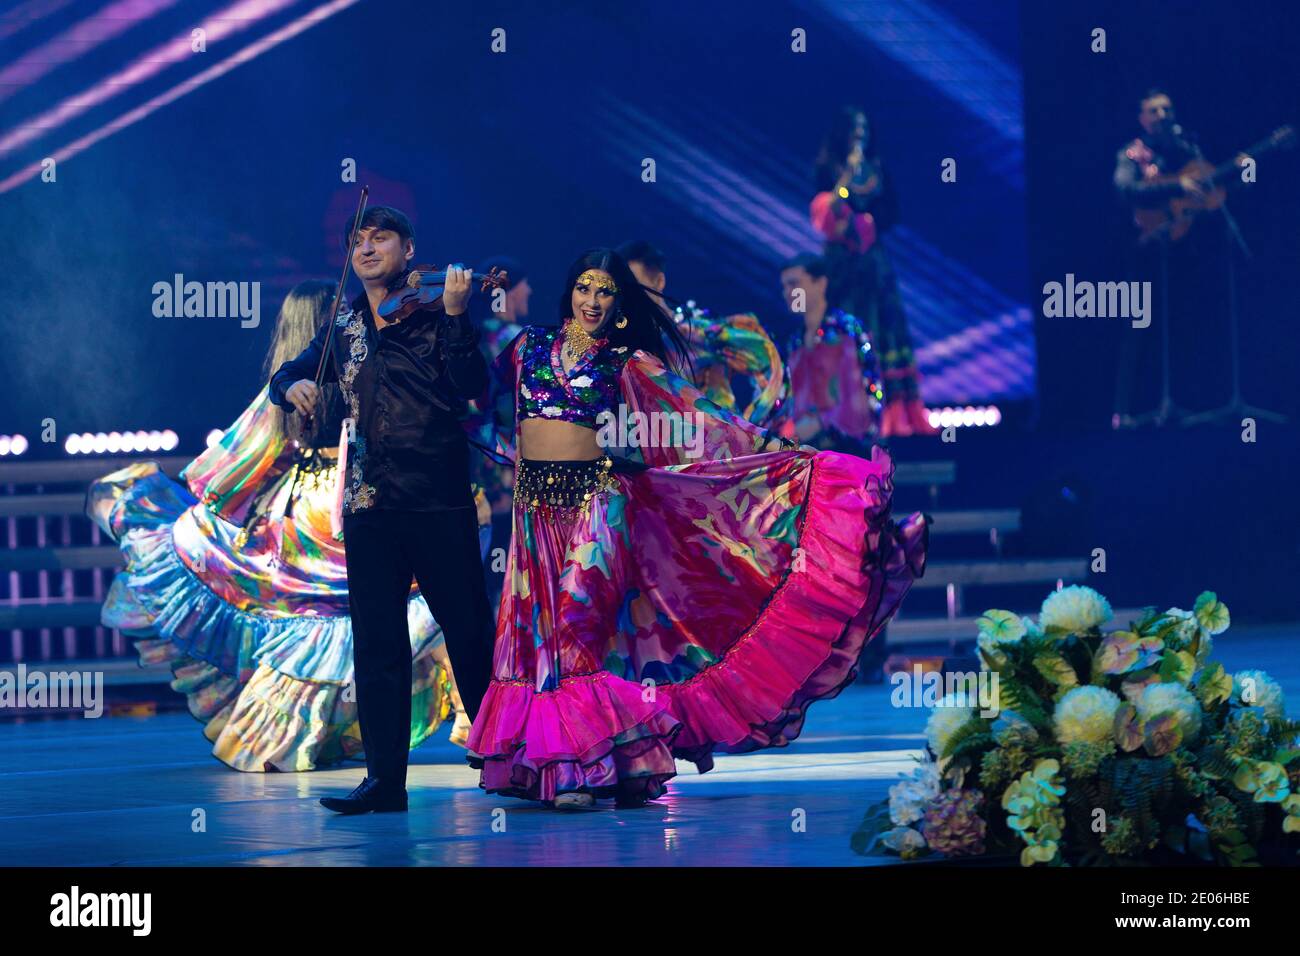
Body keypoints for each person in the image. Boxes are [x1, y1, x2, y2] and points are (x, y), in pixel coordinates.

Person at [466, 248, 928, 810]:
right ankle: (590, 763)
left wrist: (785, 455)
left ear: (618, 303)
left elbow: (704, 420)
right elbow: (471, 389)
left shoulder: (627, 362)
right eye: (585, 289)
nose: (593, 301)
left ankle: (578, 773)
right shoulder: (525, 347)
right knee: (538, 638)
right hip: (534, 510)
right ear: (570, 292)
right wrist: (453, 311)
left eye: (605, 292)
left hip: (598, 502)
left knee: (576, 624)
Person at [87, 280, 489, 770]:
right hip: (350, 498)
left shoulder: (284, 381)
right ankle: (480, 723)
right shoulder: (353, 355)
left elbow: (239, 460)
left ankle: (313, 736)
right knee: (421, 599)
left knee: (330, 617)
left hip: (300, 508)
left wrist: (225, 514)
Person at [269, 205, 496, 814]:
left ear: (408, 248)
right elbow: (289, 373)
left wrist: (454, 316)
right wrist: (292, 386)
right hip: (368, 500)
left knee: (470, 632)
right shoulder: (343, 322)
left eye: (381, 238)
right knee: (377, 645)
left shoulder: (432, 312)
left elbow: (474, 383)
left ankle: (505, 759)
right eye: (358, 241)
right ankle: (385, 781)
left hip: (436, 494)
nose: (367, 248)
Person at [811, 106, 936, 436]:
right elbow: (827, 208)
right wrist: (846, 180)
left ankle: (896, 414)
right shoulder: (829, 168)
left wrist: (869, 223)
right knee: (847, 328)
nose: (860, 134)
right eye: (854, 128)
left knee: (886, 327)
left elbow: (892, 211)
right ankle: (849, 412)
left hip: (873, 263)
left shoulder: (879, 169)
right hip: (842, 266)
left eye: (864, 128)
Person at [617, 239, 786, 427]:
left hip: (720, 450)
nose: (630, 296)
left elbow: (767, 358)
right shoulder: (626, 346)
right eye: (623, 289)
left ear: (659, 282)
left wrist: (749, 428)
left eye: (636, 286)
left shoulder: (696, 333)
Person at [778, 253, 882, 454]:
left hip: (850, 451)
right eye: (784, 287)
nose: (787, 293)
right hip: (805, 452)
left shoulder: (846, 330)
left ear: (821, 284)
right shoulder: (794, 342)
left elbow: (860, 395)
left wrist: (821, 422)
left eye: (794, 284)